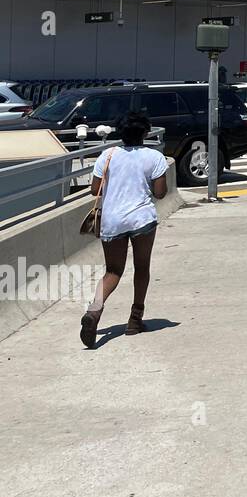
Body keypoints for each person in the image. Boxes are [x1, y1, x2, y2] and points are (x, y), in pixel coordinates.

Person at [80, 111, 169, 348]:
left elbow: (94, 189)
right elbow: (160, 193)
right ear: (145, 132)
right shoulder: (154, 157)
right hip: (142, 220)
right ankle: (134, 320)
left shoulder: (107, 155)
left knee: (113, 271)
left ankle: (94, 311)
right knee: (142, 268)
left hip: (112, 220)